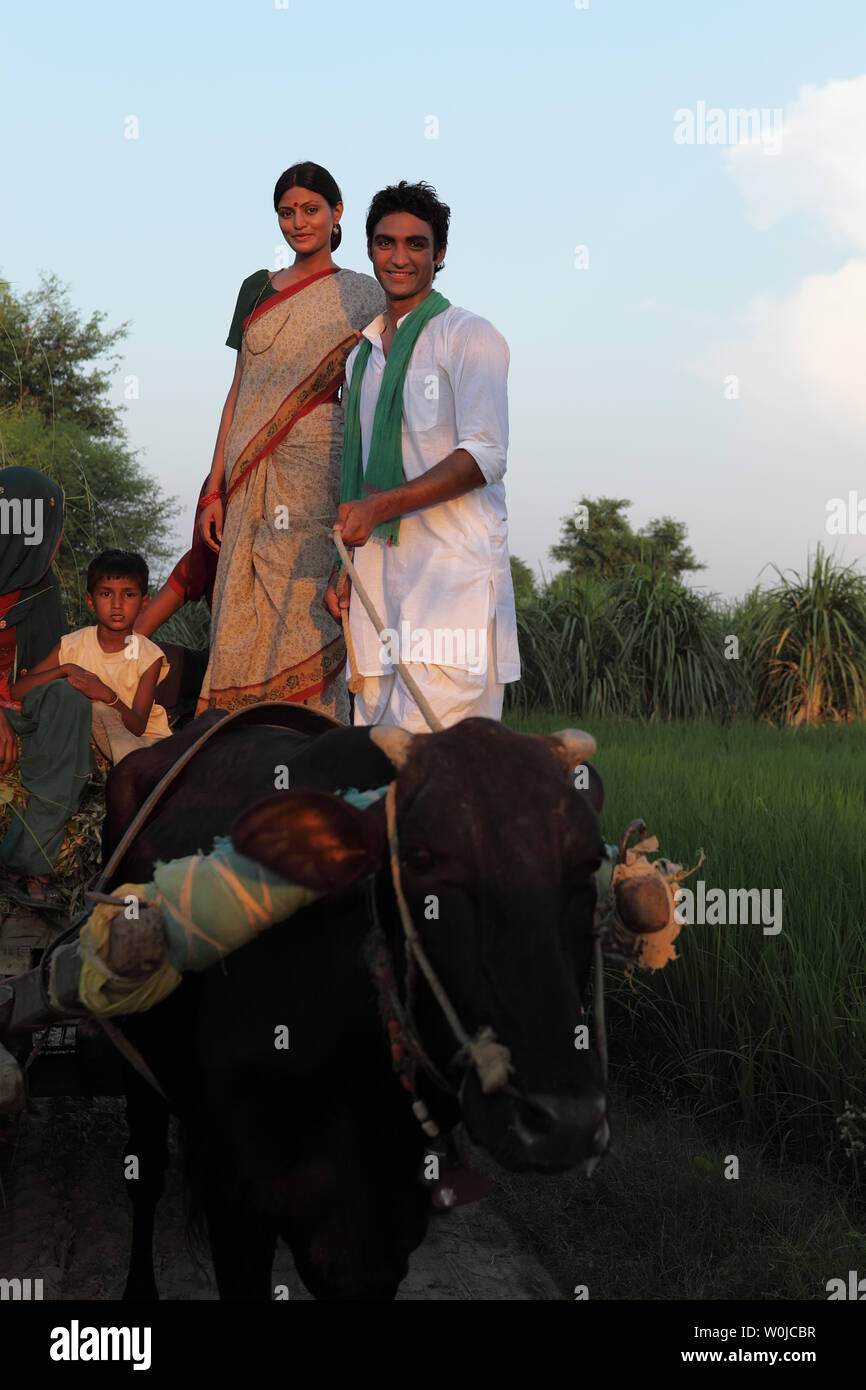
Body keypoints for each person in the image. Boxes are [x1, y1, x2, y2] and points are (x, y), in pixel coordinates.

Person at [325, 181, 520, 731]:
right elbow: (361, 474)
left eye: (416, 244)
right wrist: (347, 563)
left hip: (448, 592)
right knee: (377, 764)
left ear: (440, 254)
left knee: (437, 766)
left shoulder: (468, 336)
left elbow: (485, 456)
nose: (400, 257)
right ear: (369, 249)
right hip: (377, 595)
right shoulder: (362, 357)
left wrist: (380, 507)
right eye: (386, 243)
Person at [195, 161, 384, 721]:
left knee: (307, 606)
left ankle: (312, 741)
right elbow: (238, 390)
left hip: (316, 473)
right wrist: (214, 487)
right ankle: (239, 742)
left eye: (310, 210)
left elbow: (373, 395)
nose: (298, 222)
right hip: (245, 476)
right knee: (240, 611)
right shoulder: (256, 289)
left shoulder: (363, 296)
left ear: (336, 213)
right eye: (286, 212)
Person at [0, 466, 92, 911]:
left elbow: (40, 673)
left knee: (67, 702)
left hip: (16, 701)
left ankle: (26, 862)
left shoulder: (41, 585)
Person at [11, 549, 170, 767]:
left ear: (144, 602)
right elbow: (18, 691)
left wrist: (106, 694)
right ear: (90, 601)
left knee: (100, 710)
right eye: (106, 594)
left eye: (129, 595)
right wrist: (64, 669)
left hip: (143, 741)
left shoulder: (149, 656)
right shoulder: (72, 645)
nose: (117, 604)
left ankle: (137, 770)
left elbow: (138, 726)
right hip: (87, 737)